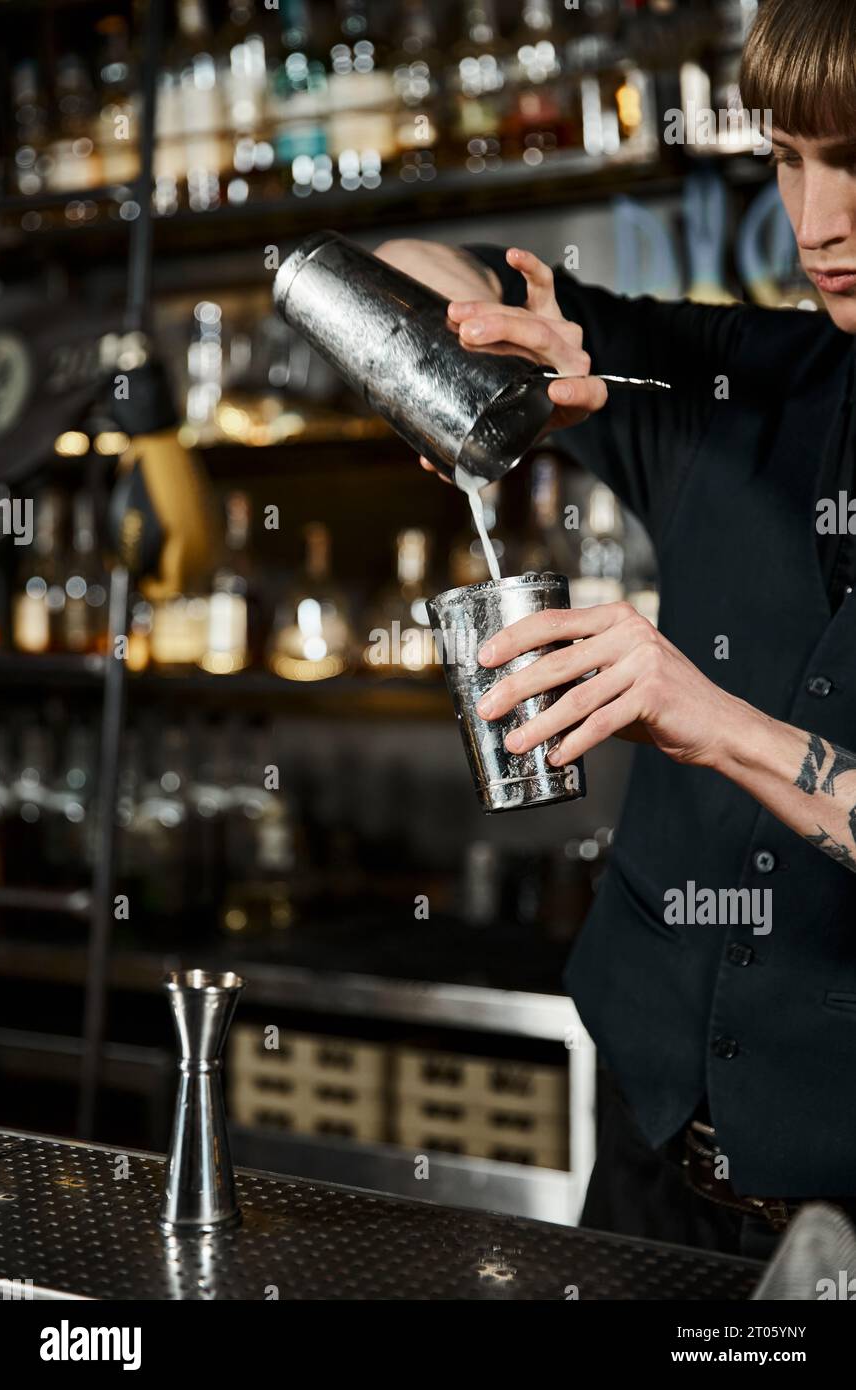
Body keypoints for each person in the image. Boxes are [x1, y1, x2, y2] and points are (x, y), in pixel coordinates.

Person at [377, 0, 856, 1263]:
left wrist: (714, 722)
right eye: (789, 160)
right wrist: (472, 354)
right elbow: (425, 271)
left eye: (855, 159)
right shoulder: (737, 386)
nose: (819, 223)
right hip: (644, 1178)